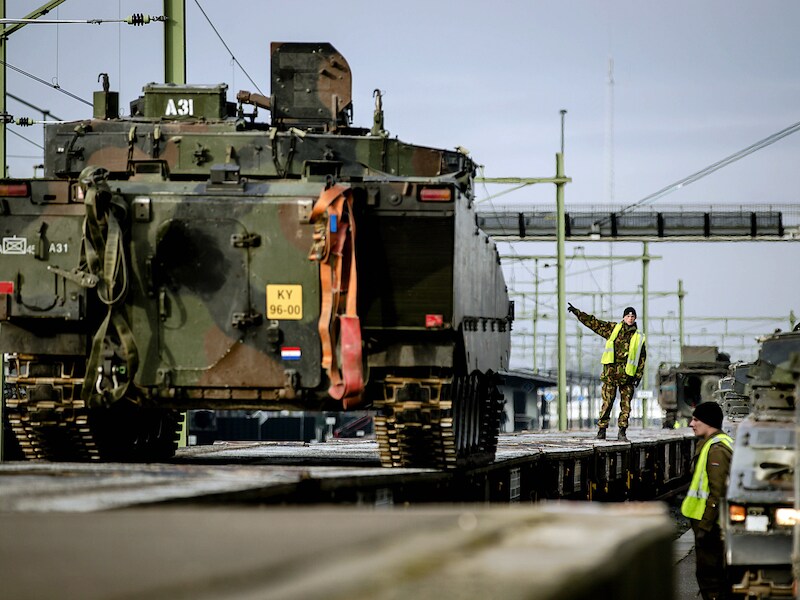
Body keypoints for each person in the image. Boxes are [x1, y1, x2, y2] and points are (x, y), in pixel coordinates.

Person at [567, 304, 646, 441]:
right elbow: (594, 323)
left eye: (632, 316)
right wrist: (577, 312)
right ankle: (601, 430)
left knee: (626, 406)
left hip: (627, 377)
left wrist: (638, 376)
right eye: (628, 316)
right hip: (611, 375)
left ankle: (622, 432)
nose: (630, 318)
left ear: (635, 318)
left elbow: (642, 358)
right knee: (607, 404)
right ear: (624, 317)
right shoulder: (613, 329)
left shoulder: (639, 337)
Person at [681, 401, 733, 600]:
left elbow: (718, 492)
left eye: (696, 420)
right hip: (710, 524)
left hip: (711, 526)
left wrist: (705, 526)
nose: (691, 424)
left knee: (711, 578)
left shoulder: (716, 449)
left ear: (708, 422)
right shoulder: (712, 444)